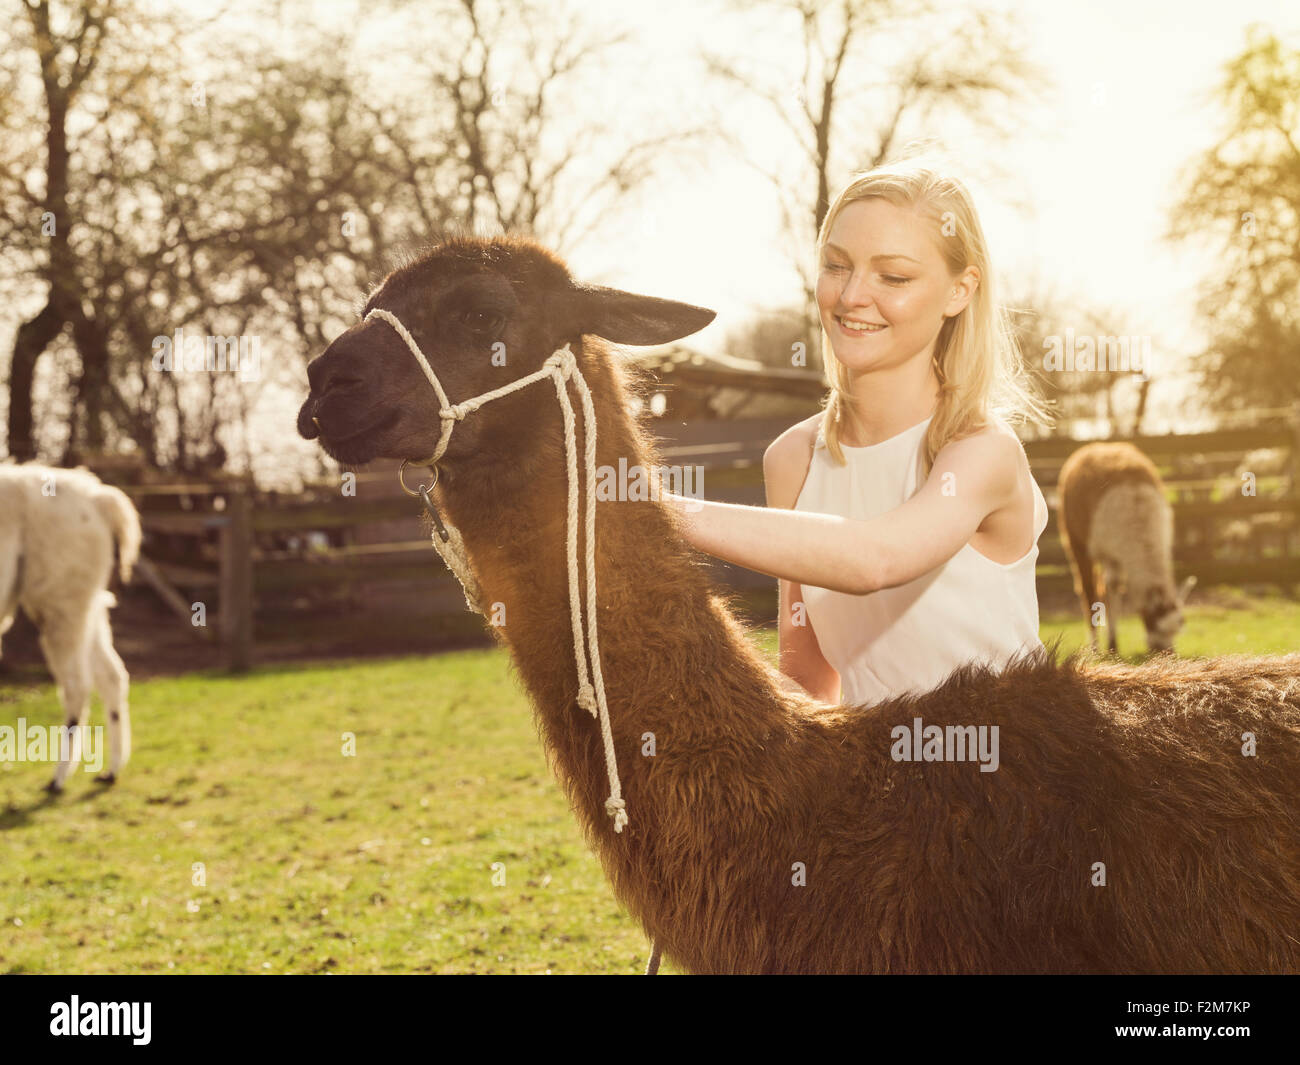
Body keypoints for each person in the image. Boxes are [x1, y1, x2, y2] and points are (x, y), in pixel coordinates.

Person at [665, 154, 1054, 706]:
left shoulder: (979, 451)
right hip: (878, 786)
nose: (851, 297)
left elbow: (875, 561)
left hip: (1010, 776)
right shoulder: (793, 458)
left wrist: (651, 508)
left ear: (959, 291)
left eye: (893, 276)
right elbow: (808, 682)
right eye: (837, 265)